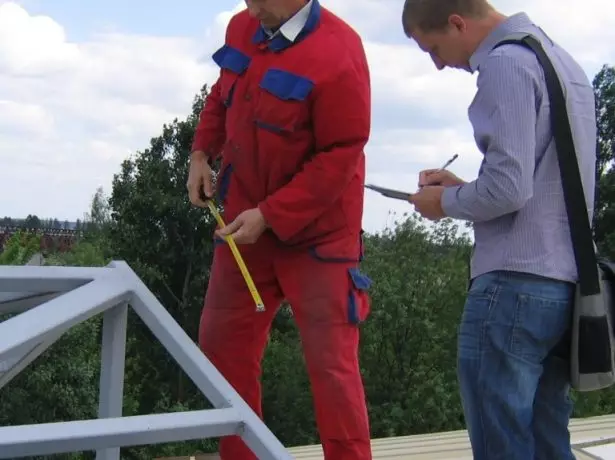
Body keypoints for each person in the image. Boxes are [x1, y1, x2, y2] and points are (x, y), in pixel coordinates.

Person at [401, 1, 597, 459]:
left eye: (434, 47)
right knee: (549, 440)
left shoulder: (504, 64)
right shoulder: (561, 61)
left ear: (457, 22)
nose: (439, 63)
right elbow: (541, 185)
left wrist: (443, 202)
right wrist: (469, 188)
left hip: (512, 287)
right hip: (563, 285)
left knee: (500, 446)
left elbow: (509, 190)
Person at [186, 0, 373, 459]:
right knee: (221, 345)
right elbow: (220, 95)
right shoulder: (241, 27)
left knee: (332, 369)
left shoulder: (340, 50)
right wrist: (199, 154)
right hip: (244, 228)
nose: (252, 7)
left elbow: (341, 154)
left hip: (319, 239)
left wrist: (271, 214)